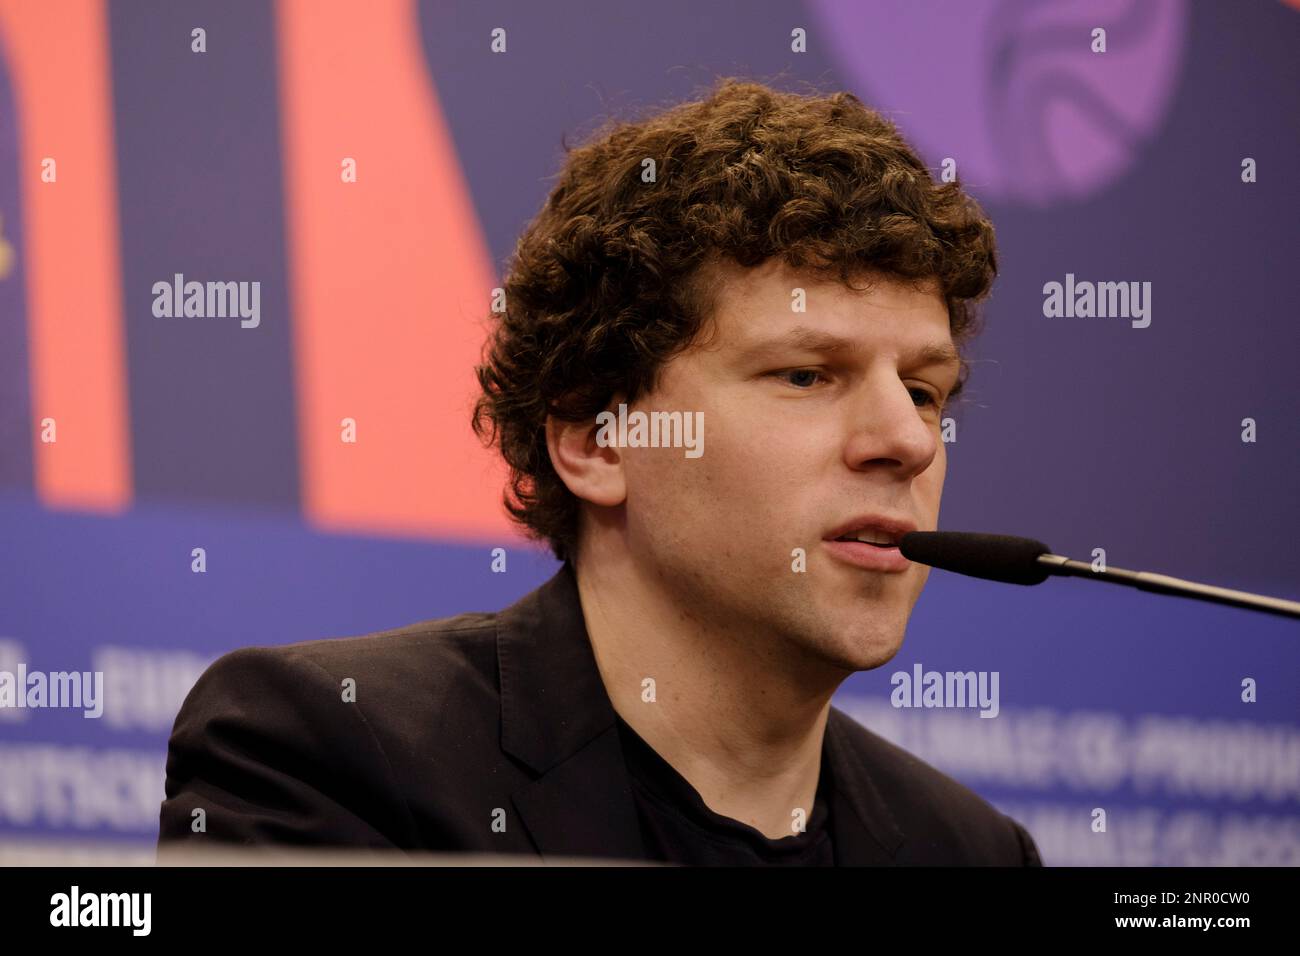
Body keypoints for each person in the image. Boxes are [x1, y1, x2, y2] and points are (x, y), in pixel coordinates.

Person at [158, 78, 1042, 866]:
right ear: (595, 439)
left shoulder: (969, 849)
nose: (908, 441)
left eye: (926, 393)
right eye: (806, 375)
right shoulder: (332, 753)